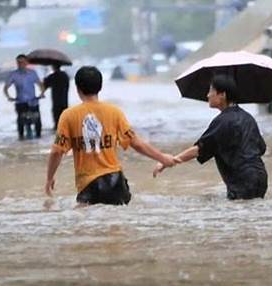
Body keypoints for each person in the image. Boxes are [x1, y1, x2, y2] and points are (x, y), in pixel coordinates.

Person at [44, 66, 179, 207]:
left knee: (85, 225)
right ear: (100, 87)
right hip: (116, 182)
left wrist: (49, 178)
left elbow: (57, 151)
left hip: (89, 186)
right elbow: (136, 143)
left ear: (77, 88)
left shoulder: (68, 116)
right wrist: (164, 158)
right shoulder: (114, 112)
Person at [153, 74, 268, 200]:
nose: (207, 95)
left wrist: (170, 161)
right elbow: (261, 148)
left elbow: (199, 149)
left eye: (211, 91)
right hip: (260, 176)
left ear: (222, 95)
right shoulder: (248, 118)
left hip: (242, 179)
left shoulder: (223, 121)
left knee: (238, 214)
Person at [4, 54, 45, 140]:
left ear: (26, 63)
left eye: (22, 62)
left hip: (33, 101)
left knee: (37, 121)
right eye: (18, 62)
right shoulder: (13, 74)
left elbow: (40, 84)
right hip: (20, 101)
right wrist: (9, 97)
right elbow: (6, 87)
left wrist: (41, 93)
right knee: (20, 121)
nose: (20, 64)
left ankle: (38, 136)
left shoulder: (33, 73)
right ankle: (21, 137)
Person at [43, 64, 69, 130]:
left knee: (57, 123)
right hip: (64, 101)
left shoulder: (52, 76)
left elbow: (44, 85)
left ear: (53, 67)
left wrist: (45, 75)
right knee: (65, 122)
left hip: (56, 101)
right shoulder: (65, 75)